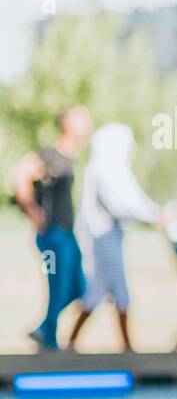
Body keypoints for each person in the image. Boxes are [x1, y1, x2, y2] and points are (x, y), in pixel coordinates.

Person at [66, 123, 167, 353]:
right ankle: (127, 348)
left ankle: (72, 343)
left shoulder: (116, 170)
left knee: (96, 292)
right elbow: (122, 205)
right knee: (118, 291)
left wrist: (156, 213)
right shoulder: (103, 170)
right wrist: (153, 217)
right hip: (103, 238)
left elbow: (136, 200)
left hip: (112, 237)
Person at [8, 106, 94, 351]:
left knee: (79, 287)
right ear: (68, 123)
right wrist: (33, 211)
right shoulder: (51, 155)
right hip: (53, 234)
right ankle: (49, 344)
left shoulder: (70, 157)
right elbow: (20, 173)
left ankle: (45, 327)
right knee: (58, 286)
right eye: (83, 119)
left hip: (68, 233)